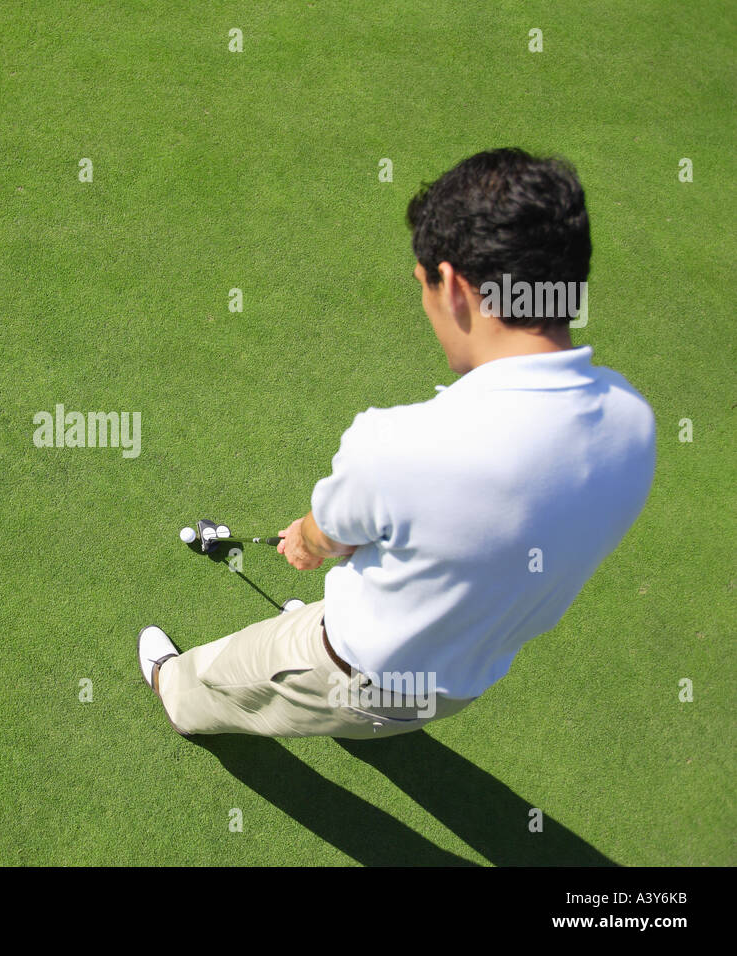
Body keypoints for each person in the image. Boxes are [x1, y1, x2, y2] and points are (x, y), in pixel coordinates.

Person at [139, 147, 656, 739]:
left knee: (219, 676)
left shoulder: (399, 445)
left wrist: (307, 540)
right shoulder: (633, 423)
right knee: (373, 709)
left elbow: (324, 536)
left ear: (456, 288)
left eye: (423, 285)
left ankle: (176, 689)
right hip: (463, 681)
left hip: (350, 664)